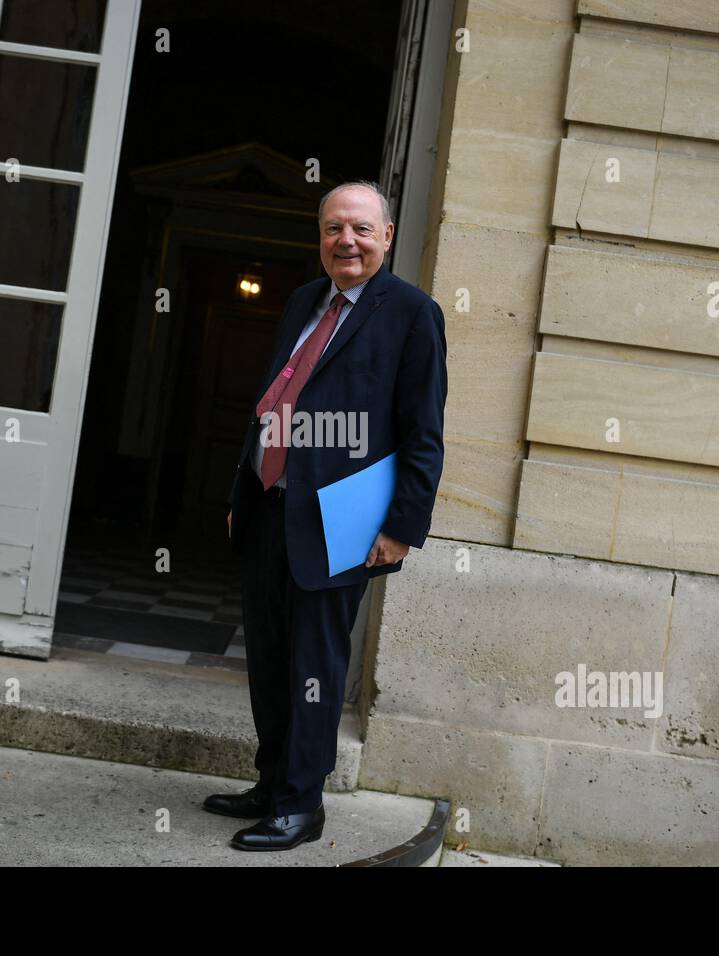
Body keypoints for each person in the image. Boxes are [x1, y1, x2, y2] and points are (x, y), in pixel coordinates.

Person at [206, 180, 447, 851]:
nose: (347, 241)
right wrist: (243, 494)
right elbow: (275, 397)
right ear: (320, 237)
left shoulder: (412, 314)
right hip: (268, 509)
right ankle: (271, 784)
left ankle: (301, 807)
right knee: (270, 661)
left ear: (387, 237)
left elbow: (422, 433)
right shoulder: (305, 301)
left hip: (340, 522)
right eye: (334, 229)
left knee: (314, 664)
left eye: (362, 230)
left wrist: (401, 528)